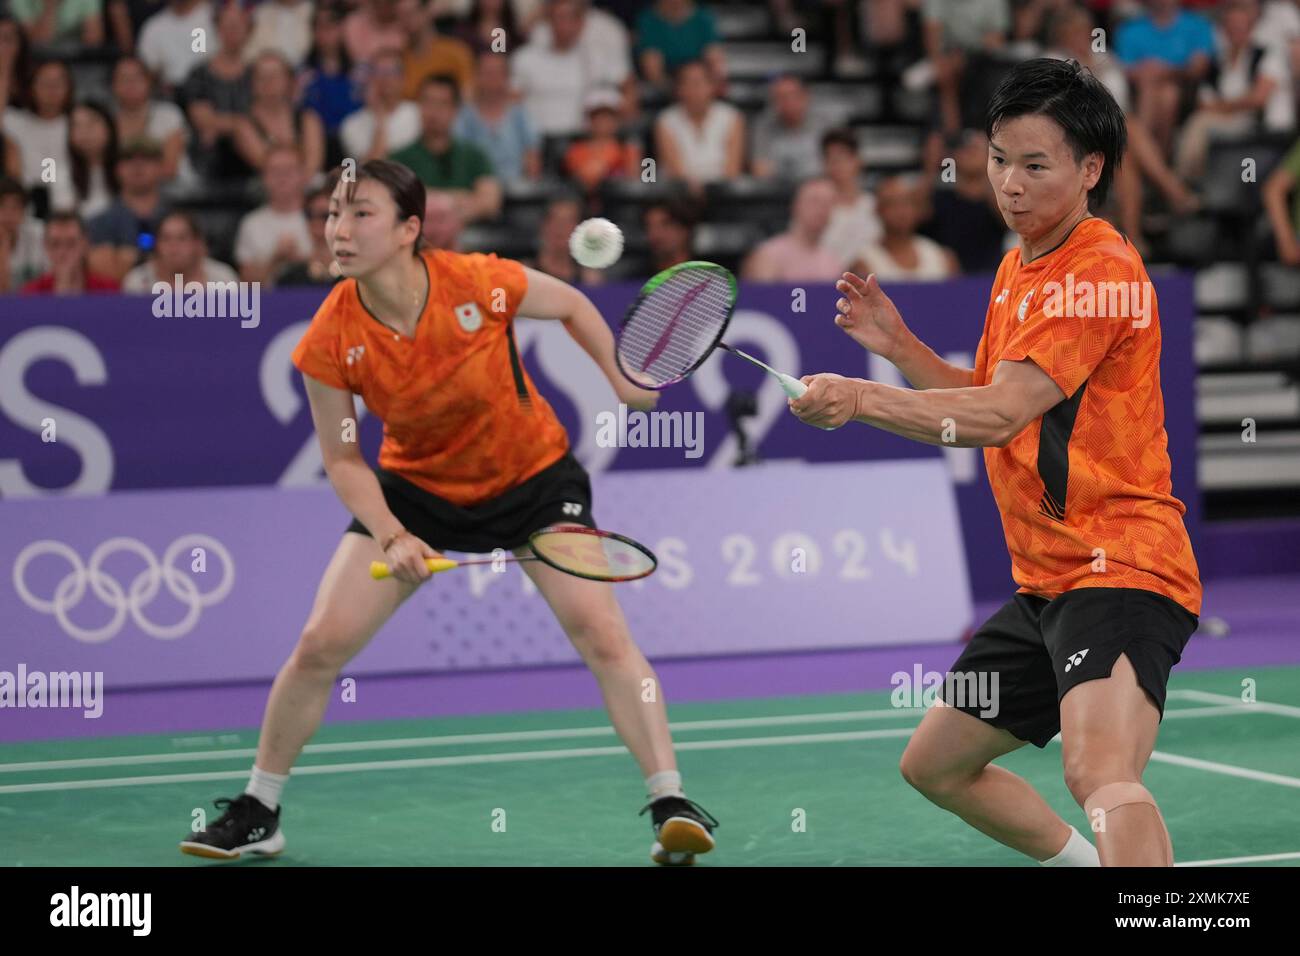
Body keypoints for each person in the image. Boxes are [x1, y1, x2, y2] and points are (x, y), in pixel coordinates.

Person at [178, 158, 720, 866]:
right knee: (319, 645)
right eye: (333, 214)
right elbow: (344, 458)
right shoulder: (329, 335)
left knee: (601, 633)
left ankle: (670, 799)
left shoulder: (478, 281)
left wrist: (621, 379)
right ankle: (259, 806)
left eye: (359, 213)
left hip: (531, 480)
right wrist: (391, 532)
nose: (338, 230)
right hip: (417, 493)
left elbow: (571, 306)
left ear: (408, 229)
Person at [790, 59, 1201, 867]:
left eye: (1035, 165)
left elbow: (998, 416)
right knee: (937, 764)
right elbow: (989, 396)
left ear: (1090, 171)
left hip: (1119, 565)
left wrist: (862, 399)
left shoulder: (1099, 271)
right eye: (999, 159)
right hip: (1048, 581)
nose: (1009, 184)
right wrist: (899, 347)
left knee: (1099, 770)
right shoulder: (1021, 266)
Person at [850, 175, 959, 281]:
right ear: (878, 210)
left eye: (907, 203)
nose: (901, 212)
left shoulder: (941, 258)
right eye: (892, 204)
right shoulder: (864, 263)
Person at [741, 177, 844, 282]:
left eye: (828, 203)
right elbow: (759, 296)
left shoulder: (833, 262)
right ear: (795, 205)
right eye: (814, 201)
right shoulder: (769, 256)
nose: (822, 209)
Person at [21, 212, 120, 294]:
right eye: (55, 244)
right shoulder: (31, 294)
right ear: (45, 246)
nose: (62, 252)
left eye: (71, 244)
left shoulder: (108, 291)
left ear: (85, 244)